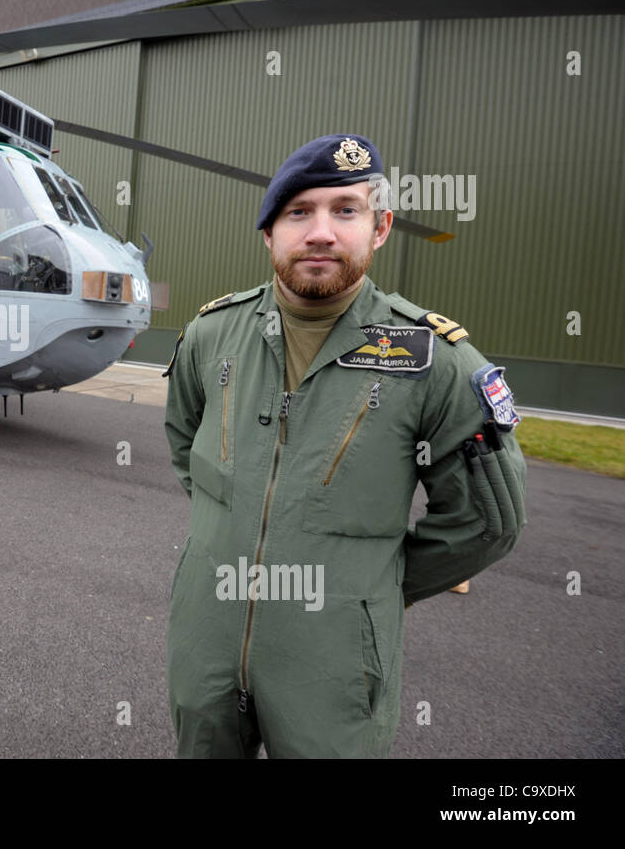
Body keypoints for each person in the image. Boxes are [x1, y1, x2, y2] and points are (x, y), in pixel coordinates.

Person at [163, 133, 526, 758]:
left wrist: (367, 588)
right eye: (299, 212)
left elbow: (487, 521)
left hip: (333, 657)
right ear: (269, 233)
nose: (321, 232)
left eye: (345, 210)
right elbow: (184, 448)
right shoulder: (210, 334)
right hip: (206, 628)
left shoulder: (434, 360)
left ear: (380, 228)